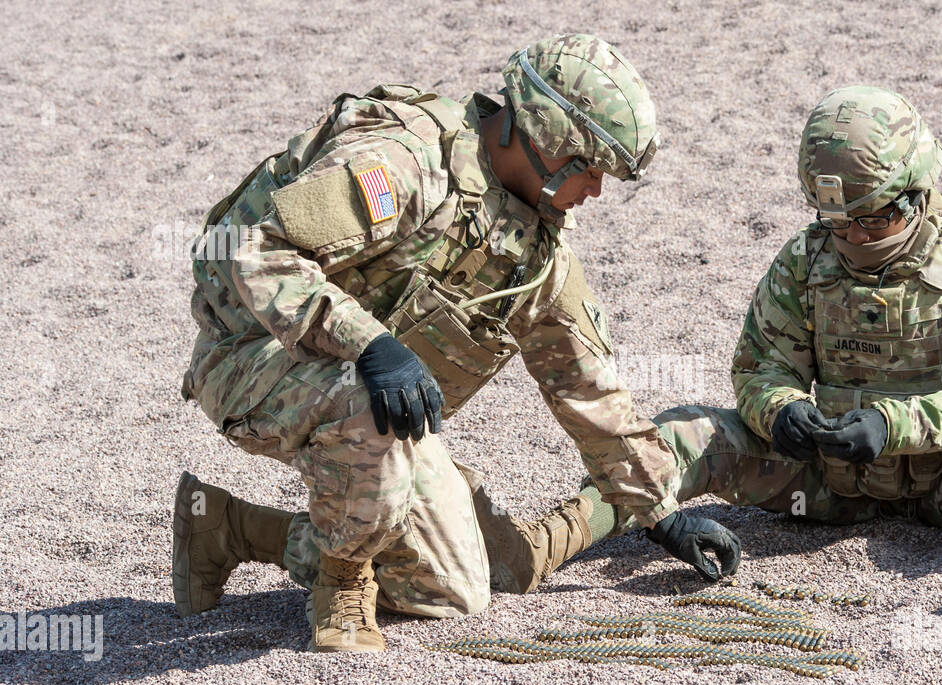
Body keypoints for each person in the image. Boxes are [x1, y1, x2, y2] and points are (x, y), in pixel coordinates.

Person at [172, 34, 740, 653]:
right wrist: (369, 344)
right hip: (255, 361)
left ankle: (230, 529)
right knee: (366, 394)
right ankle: (342, 582)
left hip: (373, 410)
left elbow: (588, 389)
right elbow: (258, 248)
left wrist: (663, 514)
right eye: (593, 170)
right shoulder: (407, 160)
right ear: (554, 144)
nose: (597, 192)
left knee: (454, 591)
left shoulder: (537, 255)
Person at [491, 86, 942, 598]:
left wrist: (891, 425)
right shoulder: (806, 261)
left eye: (874, 220)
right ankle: (541, 546)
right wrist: (782, 411)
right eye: (838, 223)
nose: (855, 238)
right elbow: (757, 366)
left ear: (916, 193)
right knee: (686, 433)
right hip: (829, 480)